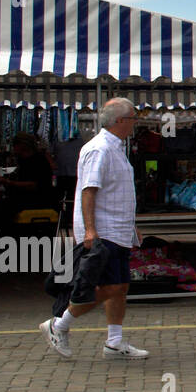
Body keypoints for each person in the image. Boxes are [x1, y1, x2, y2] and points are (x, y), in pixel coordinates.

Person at [40, 97, 149, 360]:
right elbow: (88, 191)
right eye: (133, 118)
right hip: (104, 230)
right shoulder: (99, 149)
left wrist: (131, 228)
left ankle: (114, 342)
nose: (136, 123)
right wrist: (90, 230)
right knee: (110, 287)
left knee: (120, 286)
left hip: (117, 229)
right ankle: (59, 324)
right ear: (120, 121)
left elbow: (118, 192)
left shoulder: (115, 147)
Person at [0, 134, 56, 227]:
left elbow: (33, 185)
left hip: (37, 199)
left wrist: (9, 183)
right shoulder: (21, 160)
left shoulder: (39, 161)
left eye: (15, 145)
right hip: (24, 198)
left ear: (22, 145)